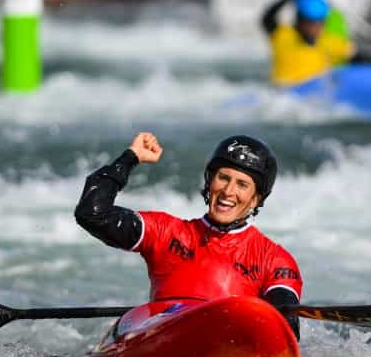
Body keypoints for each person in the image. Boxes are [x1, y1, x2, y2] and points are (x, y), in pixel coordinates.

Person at [74, 132, 303, 340]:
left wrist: (279, 314)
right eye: (223, 178)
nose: (228, 191)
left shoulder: (274, 259)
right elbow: (92, 213)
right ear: (209, 180)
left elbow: (285, 330)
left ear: (256, 199)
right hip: (164, 335)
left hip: (228, 347)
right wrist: (130, 157)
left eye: (242, 184)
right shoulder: (165, 232)